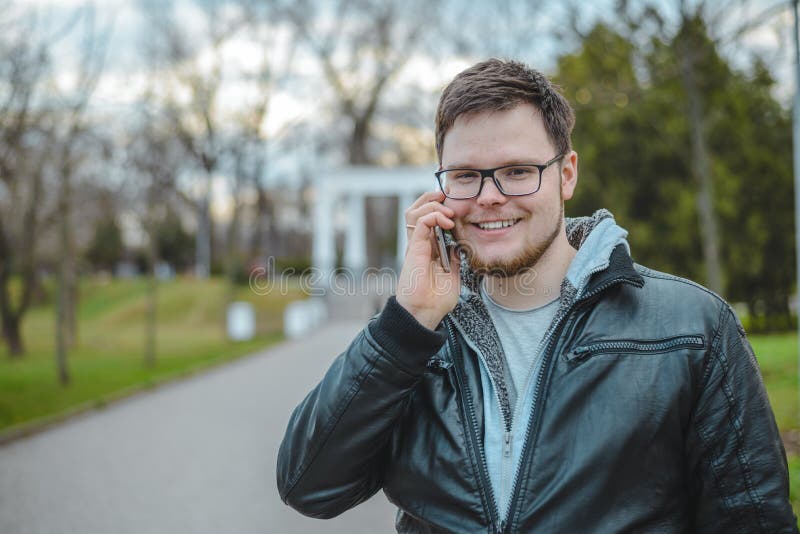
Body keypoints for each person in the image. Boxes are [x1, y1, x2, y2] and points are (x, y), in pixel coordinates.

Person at [277, 58, 797, 533]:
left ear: (566, 175)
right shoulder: (416, 337)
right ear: (440, 188)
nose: (488, 197)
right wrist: (405, 325)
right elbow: (309, 487)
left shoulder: (692, 328)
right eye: (465, 176)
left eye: (517, 172)